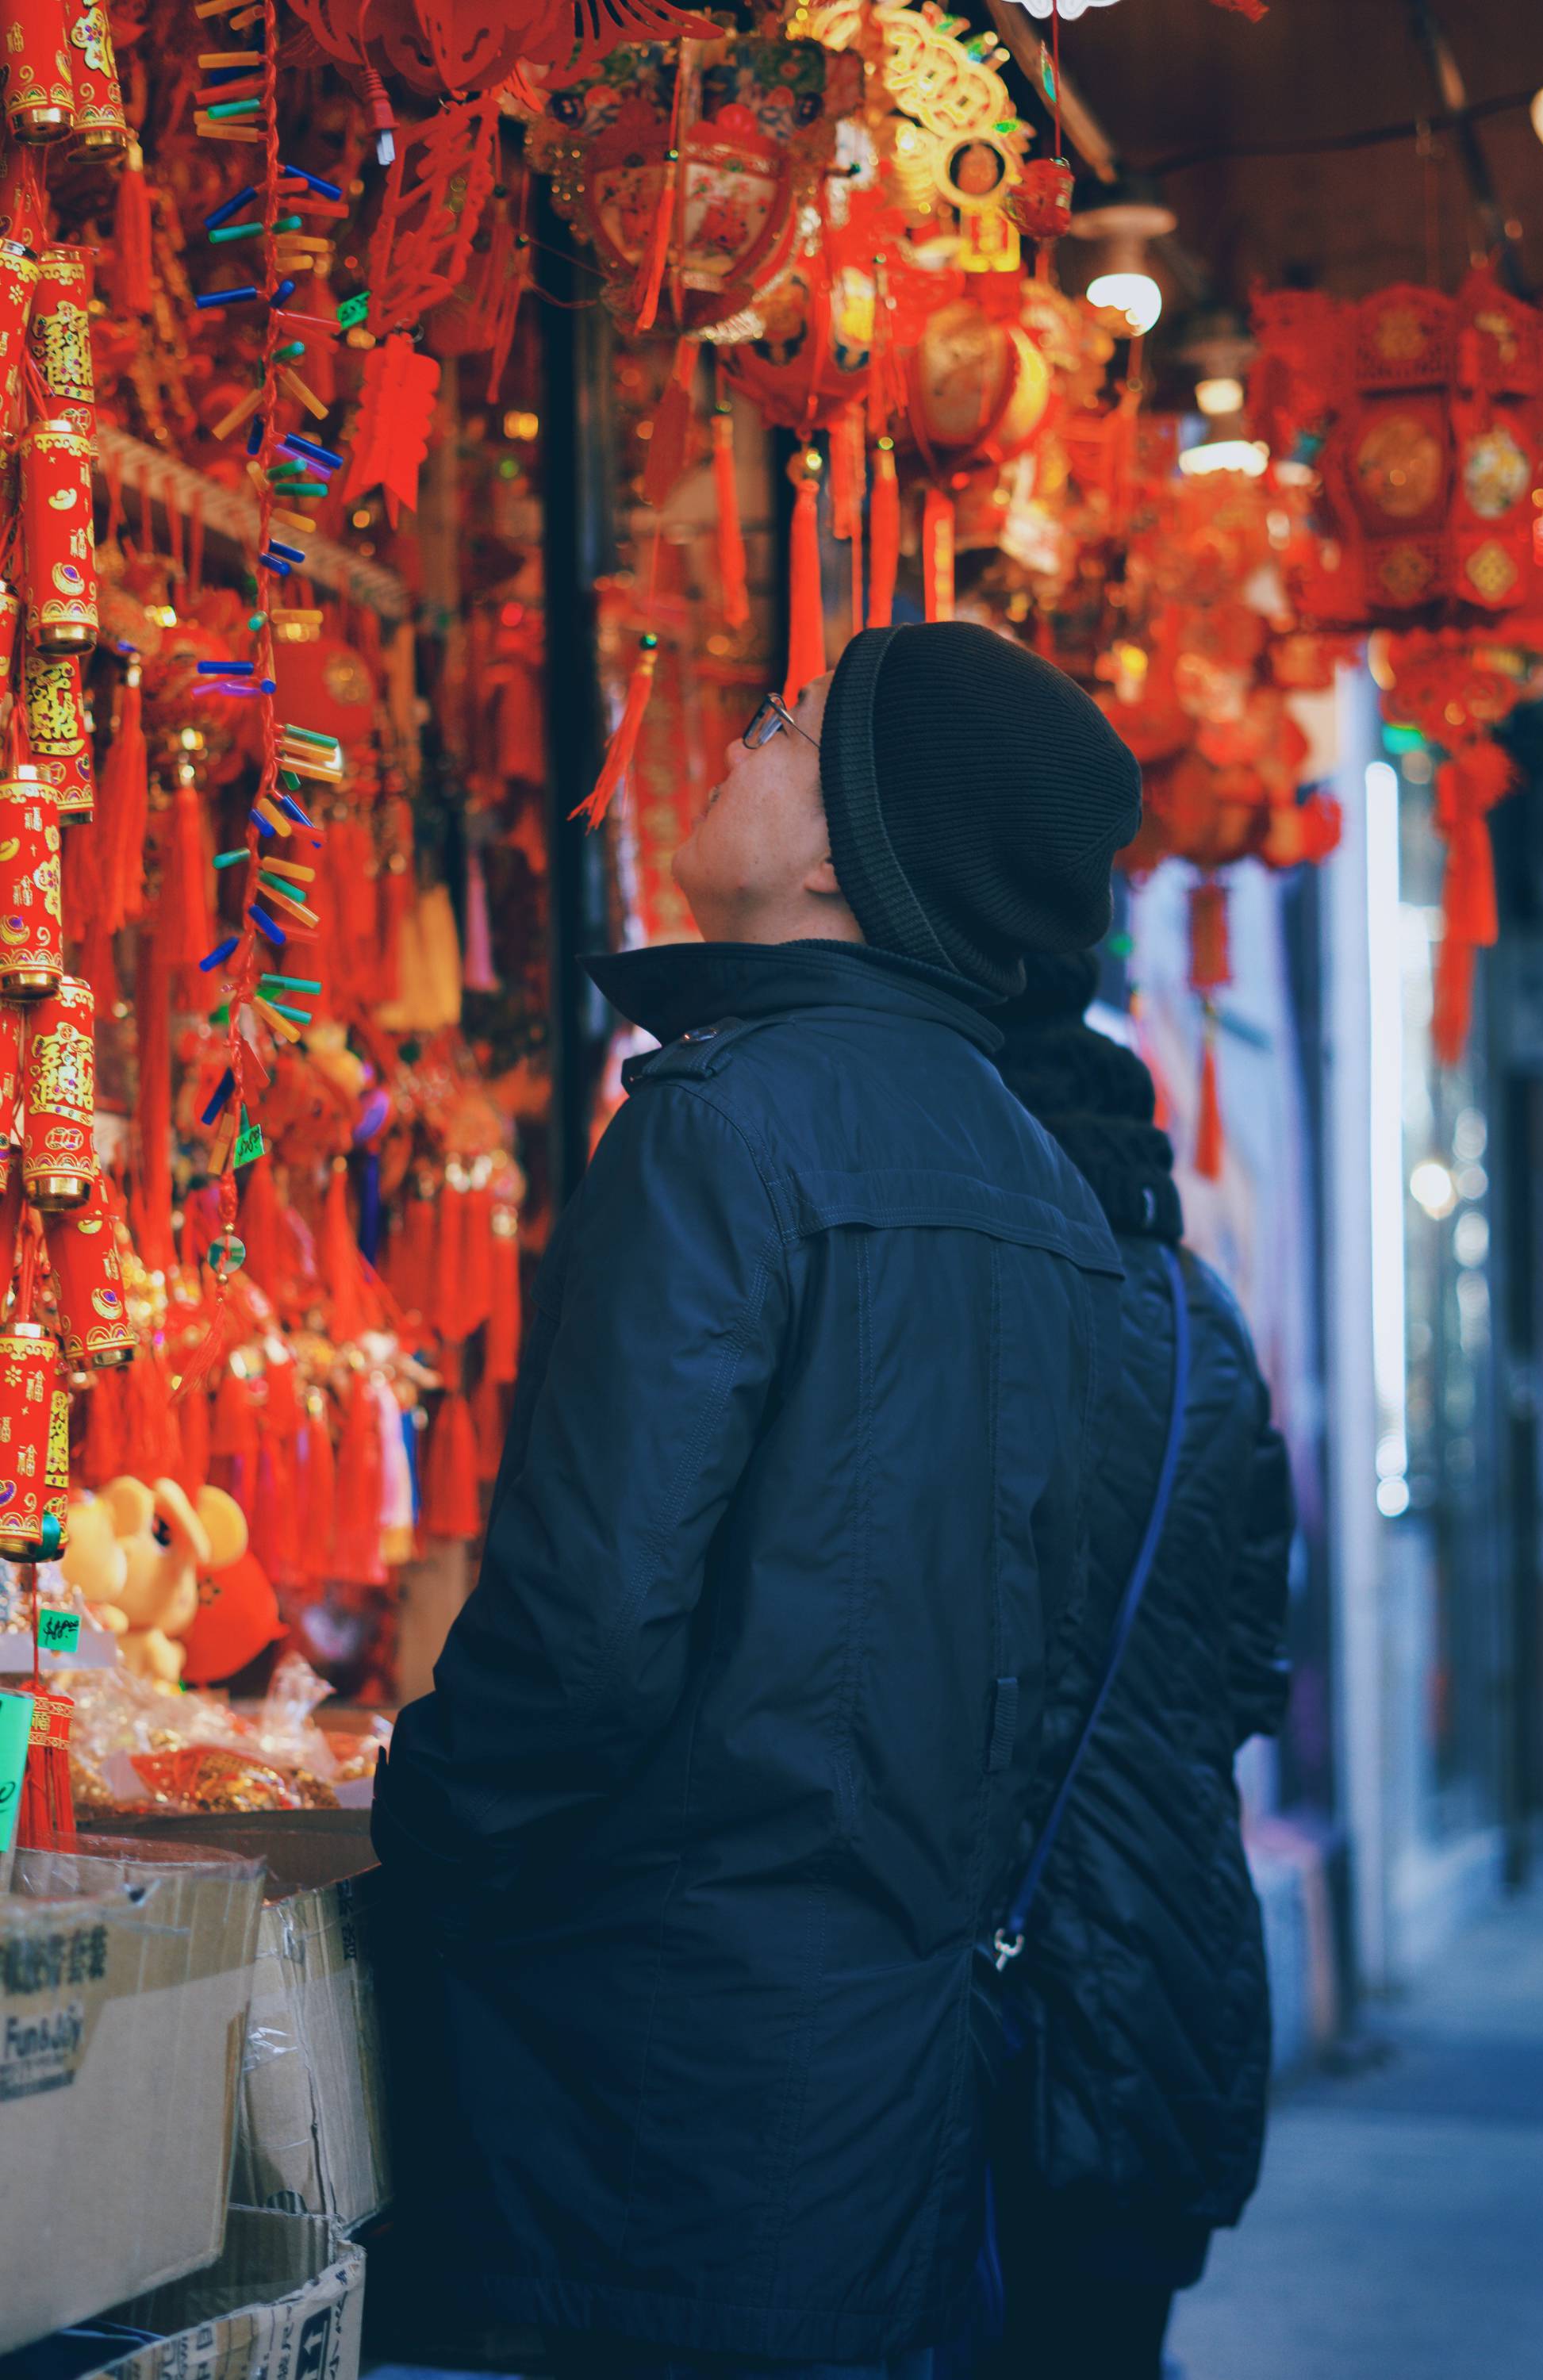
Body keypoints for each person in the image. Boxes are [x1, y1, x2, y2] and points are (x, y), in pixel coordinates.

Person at [372, 623, 1143, 2378]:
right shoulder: (1038, 1187)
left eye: (786, 729)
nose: (738, 737)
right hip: (884, 2076)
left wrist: (420, 1841)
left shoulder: (728, 1128)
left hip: (657, 2080)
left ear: (837, 855)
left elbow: (581, 1633)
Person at [981, 951, 1295, 2380]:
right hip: (1175, 1952)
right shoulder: (1204, 1325)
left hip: (1003, 1988)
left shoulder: (979, 1320)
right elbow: (1246, 1670)